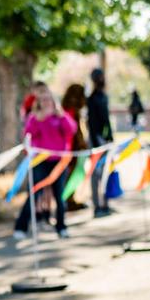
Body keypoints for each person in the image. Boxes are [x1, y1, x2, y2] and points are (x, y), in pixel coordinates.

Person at [14, 82, 74, 240]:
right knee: (34, 193)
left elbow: (71, 130)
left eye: (49, 99)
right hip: (40, 161)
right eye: (44, 100)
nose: (47, 102)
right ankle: (21, 227)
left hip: (58, 162)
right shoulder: (35, 118)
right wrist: (38, 119)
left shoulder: (60, 116)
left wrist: (62, 116)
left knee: (59, 197)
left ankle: (61, 227)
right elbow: (28, 133)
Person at [86, 68, 114, 217]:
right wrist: (97, 138)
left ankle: (105, 203)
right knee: (96, 174)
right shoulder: (92, 99)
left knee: (105, 171)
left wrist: (109, 136)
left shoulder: (103, 97)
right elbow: (91, 122)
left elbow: (106, 121)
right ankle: (97, 206)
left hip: (105, 139)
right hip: (97, 140)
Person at [61, 83, 89, 212]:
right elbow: (73, 132)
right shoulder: (69, 111)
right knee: (70, 175)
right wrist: (81, 145)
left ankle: (70, 200)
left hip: (73, 150)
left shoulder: (71, 110)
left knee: (74, 175)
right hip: (70, 150)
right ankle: (68, 201)